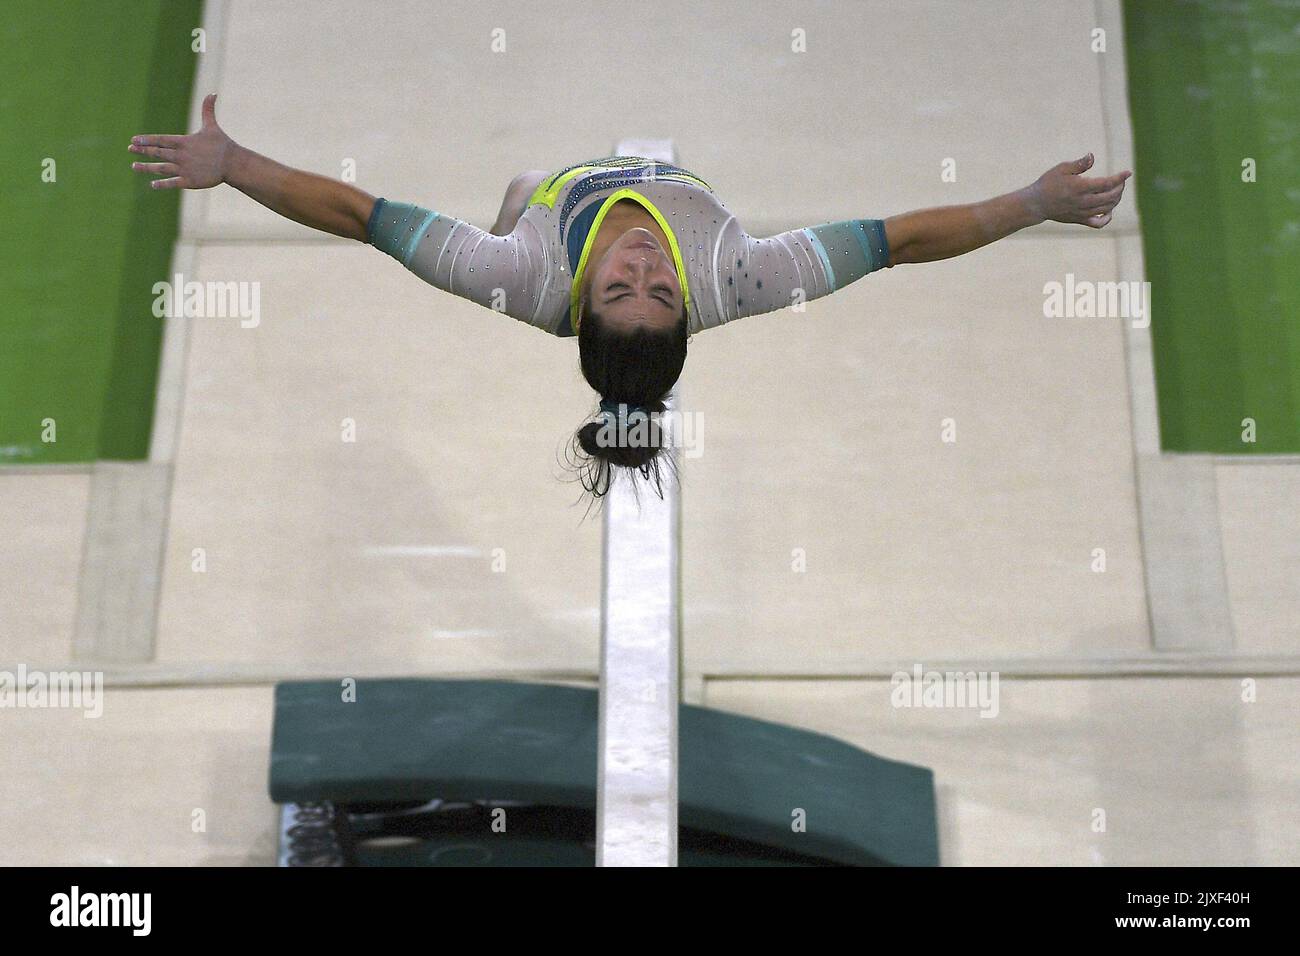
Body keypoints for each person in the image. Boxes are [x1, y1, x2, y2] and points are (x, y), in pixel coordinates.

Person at [130, 93, 1131, 498]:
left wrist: (236, 162)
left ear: (585, 303)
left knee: (515, 203)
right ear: (688, 309)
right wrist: (1034, 202)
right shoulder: (737, 277)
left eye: (624, 285)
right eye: (657, 286)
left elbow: (357, 213)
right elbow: (903, 242)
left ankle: (524, 202)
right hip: (646, 203)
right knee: (526, 197)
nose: (645, 264)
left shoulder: (517, 277)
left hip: (541, 208)